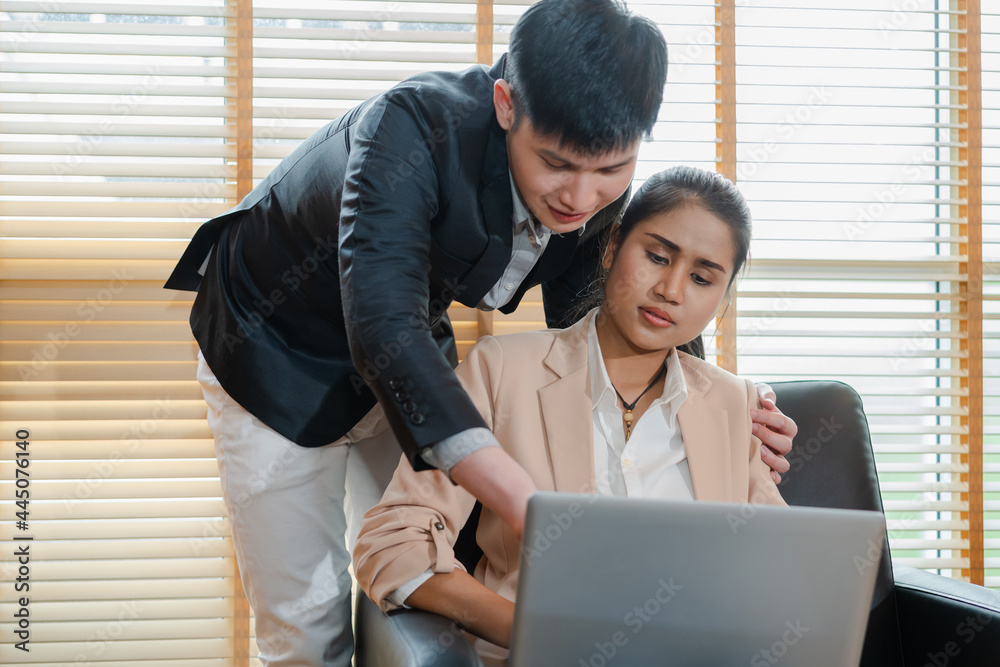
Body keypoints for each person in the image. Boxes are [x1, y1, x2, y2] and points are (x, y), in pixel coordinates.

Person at [165, 1, 795, 663]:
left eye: (610, 171)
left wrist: (714, 403)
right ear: (504, 103)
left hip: (407, 366)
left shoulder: (591, 194)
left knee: (433, 542)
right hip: (274, 350)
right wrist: (531, 505)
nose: (580, 200)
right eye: (556, 164)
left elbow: (628, 314)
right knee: (306, 625)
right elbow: (384, 323)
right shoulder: (408, 129)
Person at [353, 166, 788, 666]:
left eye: (701, 277)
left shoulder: (735, 404)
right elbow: (390, 543)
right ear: (612, 247)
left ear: (722, 296)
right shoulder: (502, 370)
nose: (671, 289)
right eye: (657, 256)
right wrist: (534, 630)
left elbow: (776, 574)